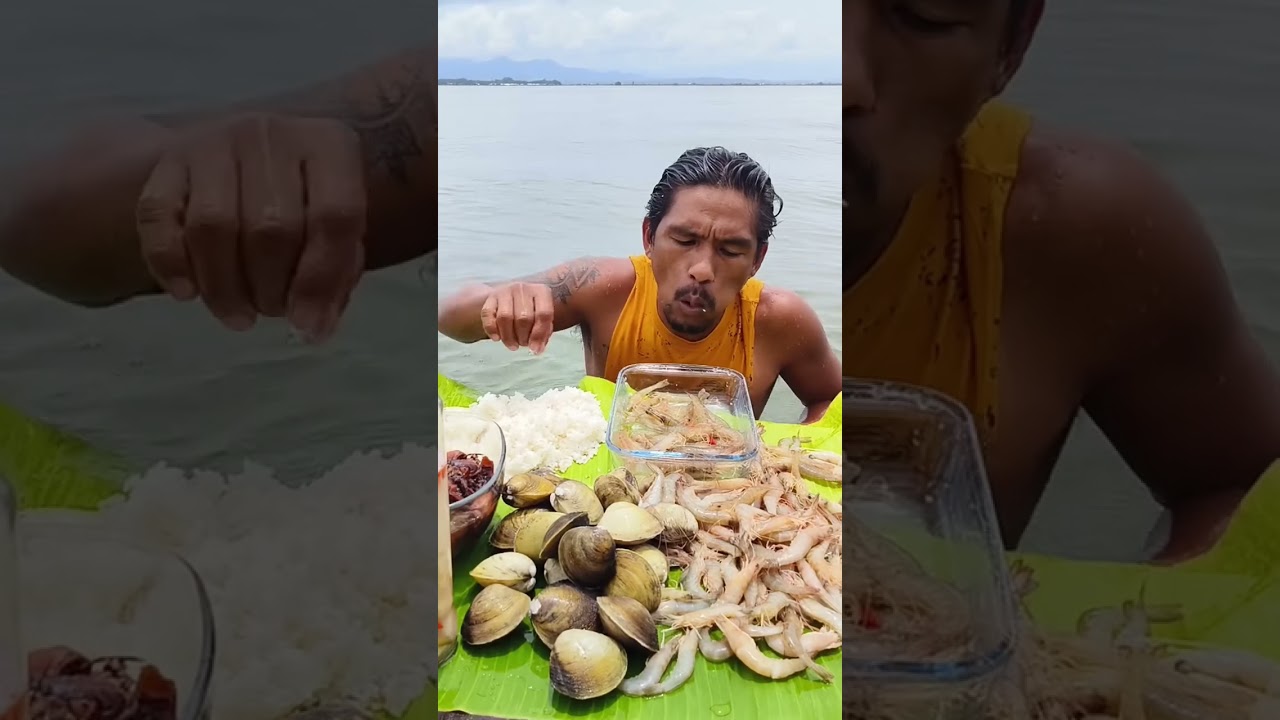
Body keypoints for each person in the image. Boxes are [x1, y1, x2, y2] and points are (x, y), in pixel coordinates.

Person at [843, 0, 1280, 561]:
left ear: (1012, 45)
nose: (844, 76)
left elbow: (1247, 491)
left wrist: (1125, 638)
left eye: (927, 15)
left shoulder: (1068, 233)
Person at [438, 146, 842, 423]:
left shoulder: (779, 321)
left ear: (757, 259)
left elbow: (833, 400)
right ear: (649, 237)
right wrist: (499, 302)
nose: (702, 268)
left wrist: (798, 451)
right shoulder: (603, 288)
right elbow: (447, 315)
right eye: (684, 241)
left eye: (731, 250)